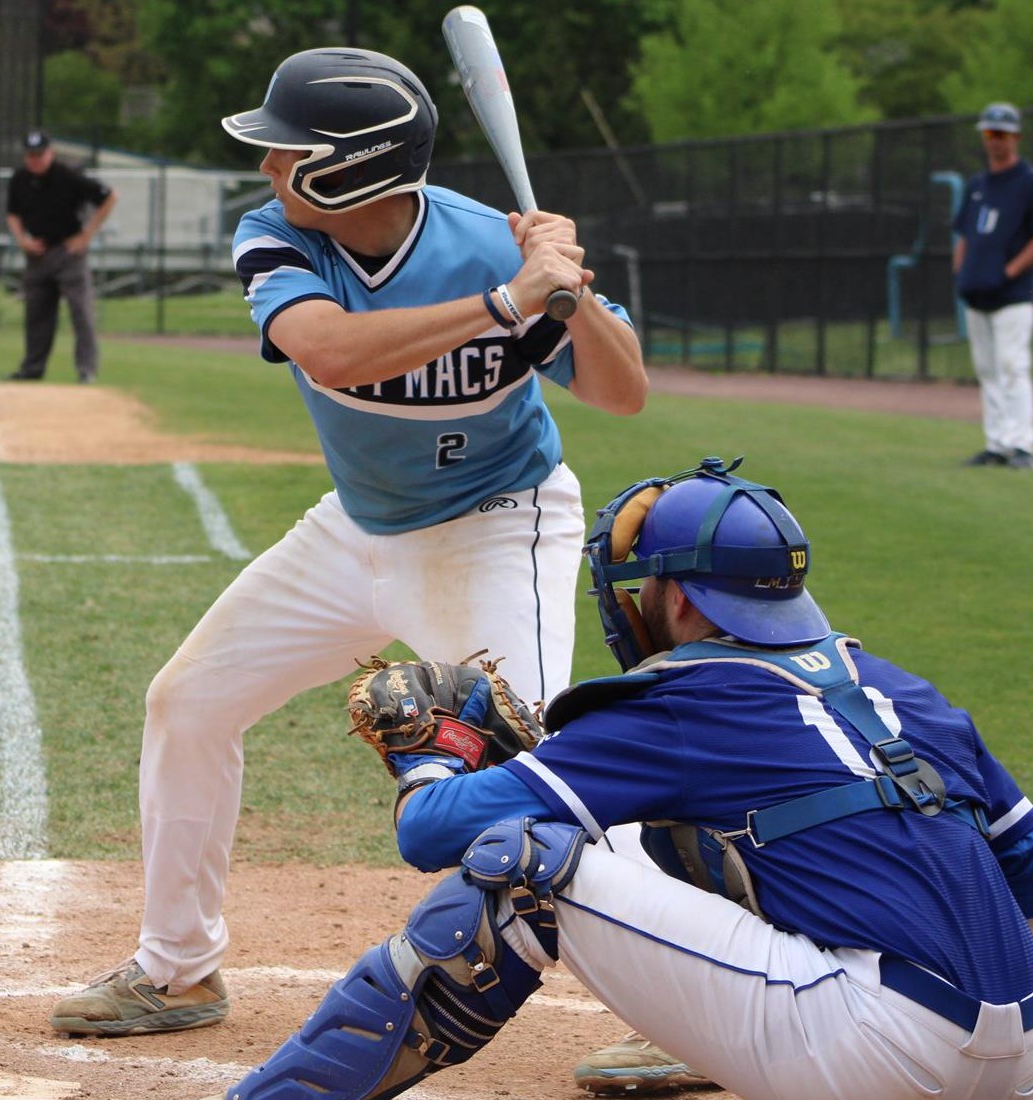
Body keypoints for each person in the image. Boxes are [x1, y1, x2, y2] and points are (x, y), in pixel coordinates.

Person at [48, 47, 647, 1039]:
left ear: (350, 167)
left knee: (537, 769)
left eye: (286, 151)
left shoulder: (486, 244)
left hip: (493, 527)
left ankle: (679, 1005)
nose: (266, 167)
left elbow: (623, 393)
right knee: (189, 701)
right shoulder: (278, 235)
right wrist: (505, 303)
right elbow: (326, 348)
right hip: (355, 525)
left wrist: (567, 291)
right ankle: (178, 969)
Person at [211, 456, 1033, 1100]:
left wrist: (427, 756)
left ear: (686, 601)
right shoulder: (903, 691)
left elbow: (433, 830)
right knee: (666, 834)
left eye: (643, 585)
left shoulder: (681, 701)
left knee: (526, 866)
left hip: (870, 1056)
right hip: (1020, 1056)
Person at [953, 103, 1033, 472]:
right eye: (989, 133)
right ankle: (996, 444)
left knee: (1013, 366)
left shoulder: (1031, 182)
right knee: (987, 369)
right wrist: (961, 270)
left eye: (1001, 133)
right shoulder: (977, 185)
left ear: (1016, 137)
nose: (995, 140)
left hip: (1014, 295)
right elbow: (965, 234)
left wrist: (1009, 271)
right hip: (977, 293)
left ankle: (1022, 446)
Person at [4, 130, 116, 384]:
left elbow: (109, 197)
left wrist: (85, 236)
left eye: (40, 154)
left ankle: (87, 369)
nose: (35, 160)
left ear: (50, 153)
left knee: (81, 312)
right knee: (37, 314)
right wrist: (22, 240)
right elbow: (13, 214)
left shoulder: (68, 176)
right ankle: (32, 368)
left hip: (68, 252)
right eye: (31, 155)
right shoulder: (20, 179)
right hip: (37, 253)